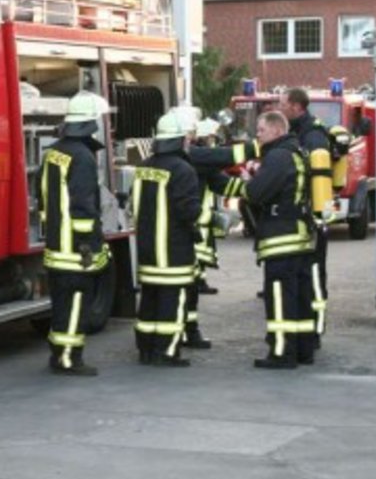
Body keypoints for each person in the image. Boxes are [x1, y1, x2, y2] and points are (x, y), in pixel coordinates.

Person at [215, 111, 317, 368]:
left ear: (276, 131)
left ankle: (282, 353)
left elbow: (257, 193)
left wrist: (247, 182)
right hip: (298, 236)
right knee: (299, 299)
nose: (257, 136)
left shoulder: (278, 156)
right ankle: (303, 349)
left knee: (280, 299)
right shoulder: (295, 153)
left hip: (281, 239)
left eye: (260, 131)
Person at [40, 91, 113, 376]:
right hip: (75, 251)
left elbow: (44, 198)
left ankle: (58, 353)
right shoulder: (82, 157)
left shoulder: (54, 153)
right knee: (76, 304)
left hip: (56, 245)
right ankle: (70, 359)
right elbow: (83, 206)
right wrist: (86, 245)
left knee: (61, 304)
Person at [130, 107, 202, 366]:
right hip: (174, 252)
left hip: (148, 252)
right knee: (173, 302)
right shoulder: (183, 170)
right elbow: (188, 211)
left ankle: (146, 350)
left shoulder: (143, 167)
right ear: (180, 139)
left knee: (149, 302)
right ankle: (167, 351)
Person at [185, 116, 262, 349]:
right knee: (182, 289)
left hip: (188, 233)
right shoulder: (191, 155)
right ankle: (185, 333)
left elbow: (222, 183)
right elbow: (225, 157)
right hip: (183, 235)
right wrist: (257, 146)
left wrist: (256, 188)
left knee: (184, 289)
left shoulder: (192, 158)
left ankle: (183, 332)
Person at [280, 88, 332, 349]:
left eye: (283, 104)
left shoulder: (312, 135)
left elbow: (312, 178)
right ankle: (309, 334)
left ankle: (315, 333)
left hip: (313, 220)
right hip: (305, 218)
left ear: (296, 106)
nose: (280, 109)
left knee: (313, 277)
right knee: (306, 277)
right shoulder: (301, 131)